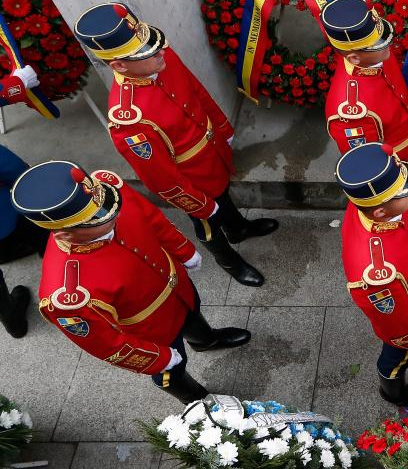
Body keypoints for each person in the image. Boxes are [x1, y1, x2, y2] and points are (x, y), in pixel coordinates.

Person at [12, 160, 250, 402]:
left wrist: (184, 251)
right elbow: (107, 344)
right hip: (152, 329)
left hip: (178, 287)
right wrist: (157, 358)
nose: (111, 216)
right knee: (172, 372)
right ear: (64, 234)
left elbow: (151, 217)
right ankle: (197, 401)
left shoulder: (106, 189)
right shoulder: (66, 295)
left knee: (193, 315)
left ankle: (206, 341)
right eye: (97, 219)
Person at [73, 2, 275, 287]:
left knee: (224, 193)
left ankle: (238, 227)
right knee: (208, 222)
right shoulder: (129, 121)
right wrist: (199, 203)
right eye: (147, 52)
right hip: (191, 177)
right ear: (119, 64)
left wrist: (222, 128)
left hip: (211, 151)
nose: (160, 52)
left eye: (154, 45)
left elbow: (196, 92)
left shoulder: (160, 59)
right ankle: (228, 260)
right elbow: (161, 177)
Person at [336, 142, 408, 411]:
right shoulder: (376, 274)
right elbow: (400, 329)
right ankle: (393, 391)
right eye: (404, 192)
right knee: (396, 358)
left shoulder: (379, 205)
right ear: (381, 212)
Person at [322, 0, 408, 162]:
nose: (388, 44)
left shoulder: (375, 58)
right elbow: (365, 163)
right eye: (379, 45)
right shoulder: (352, 113)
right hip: (394, 164)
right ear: (354, 59)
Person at [0, 144, 48, 338]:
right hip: (5, 219)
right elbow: (16, 171)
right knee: (39, 229)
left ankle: (14, 323)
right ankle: (59, 281)